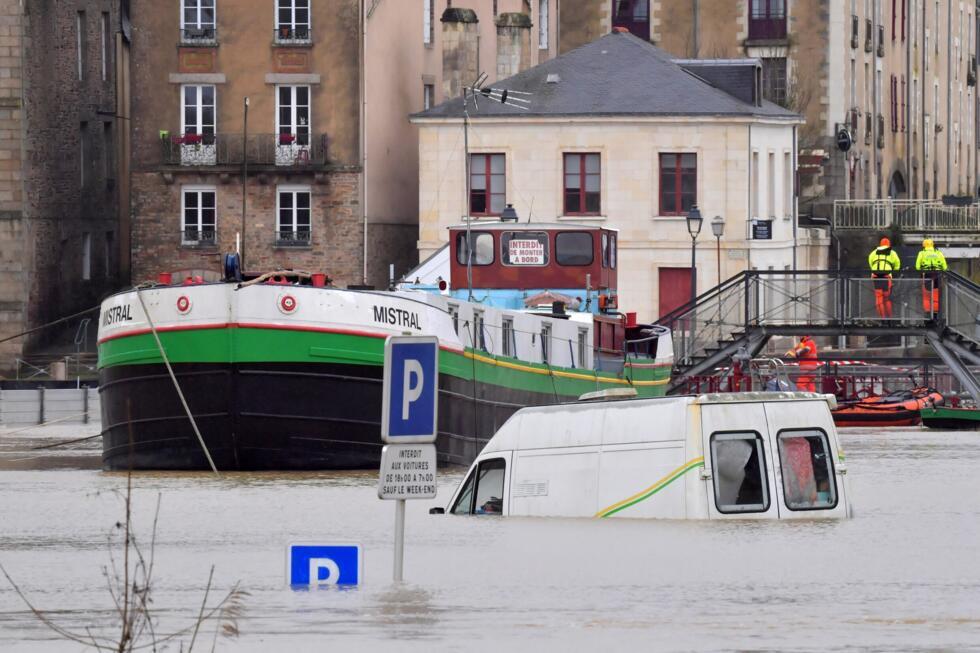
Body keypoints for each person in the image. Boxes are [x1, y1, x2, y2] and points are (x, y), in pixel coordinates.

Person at [868, 237, 901, 318]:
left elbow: (870, 262)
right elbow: (897, 264)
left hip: (876, 275)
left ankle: (882, 318)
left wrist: (874, 269)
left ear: (880, 244)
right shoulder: (892, 252)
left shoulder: (874, 252)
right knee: (887, 298)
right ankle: (889, 318)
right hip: (886, 276)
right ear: (888, 244)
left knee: (879, 298)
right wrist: (893, 272)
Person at [914, 238, 948, 319]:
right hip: (937, 276)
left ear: (924, 246)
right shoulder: (938, 253)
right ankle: (935, 315)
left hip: (926, 276)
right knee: (936, 295)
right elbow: (945, 267)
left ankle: (928, 315)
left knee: (926, 296)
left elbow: (917, 267)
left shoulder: (922, 253)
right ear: (932, 245)